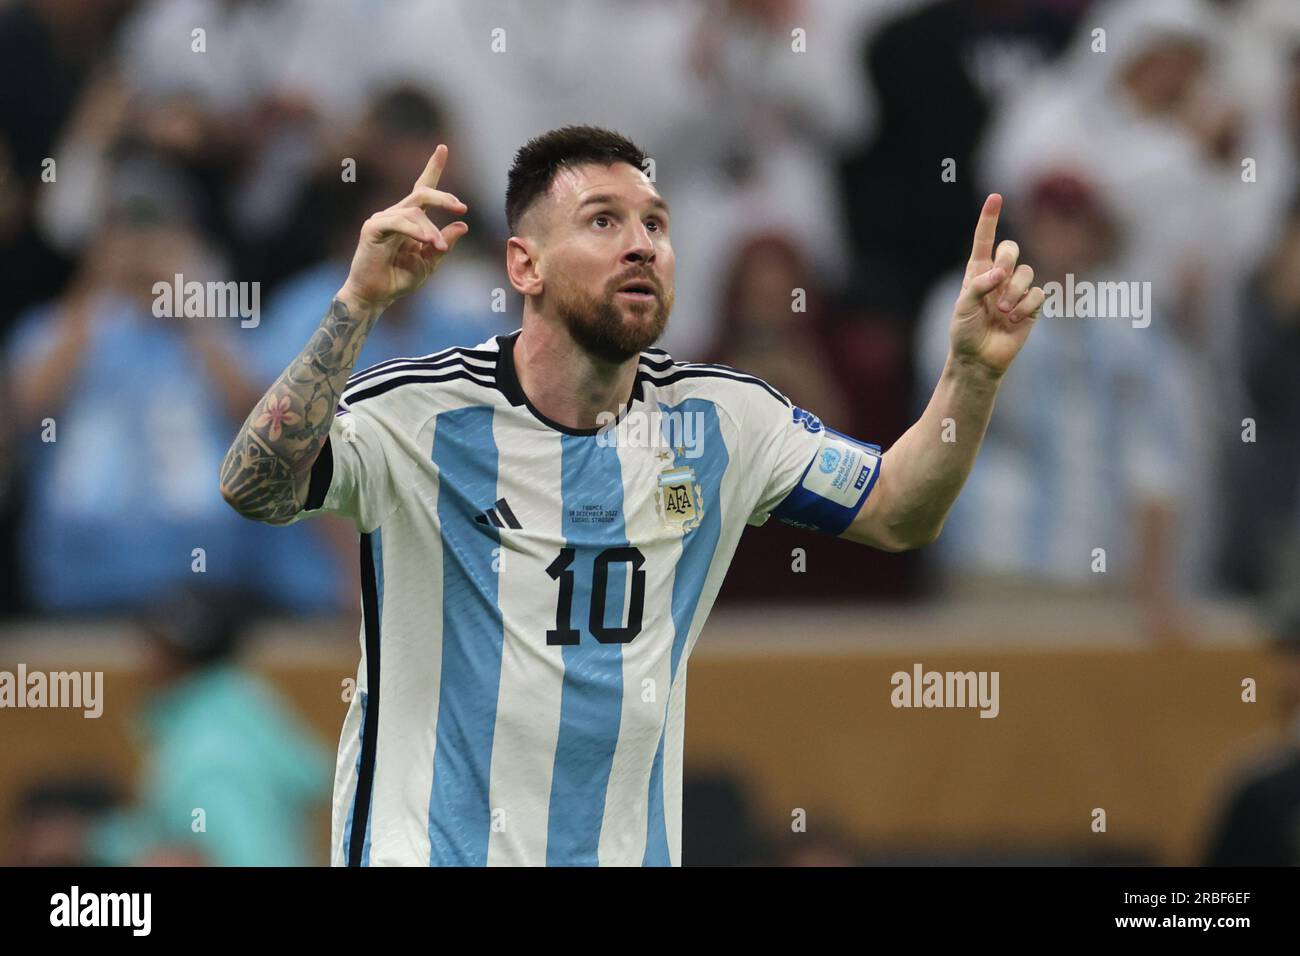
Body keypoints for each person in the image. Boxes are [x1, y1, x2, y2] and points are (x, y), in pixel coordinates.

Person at [219, 126, 1045, 866]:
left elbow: (900, 511)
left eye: (656, 223)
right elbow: (254, 485)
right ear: (524, 264)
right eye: (603, 221)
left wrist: (970, 373)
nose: (643, 244)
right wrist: (358, 303)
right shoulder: (416, 413)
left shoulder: (723, 422)